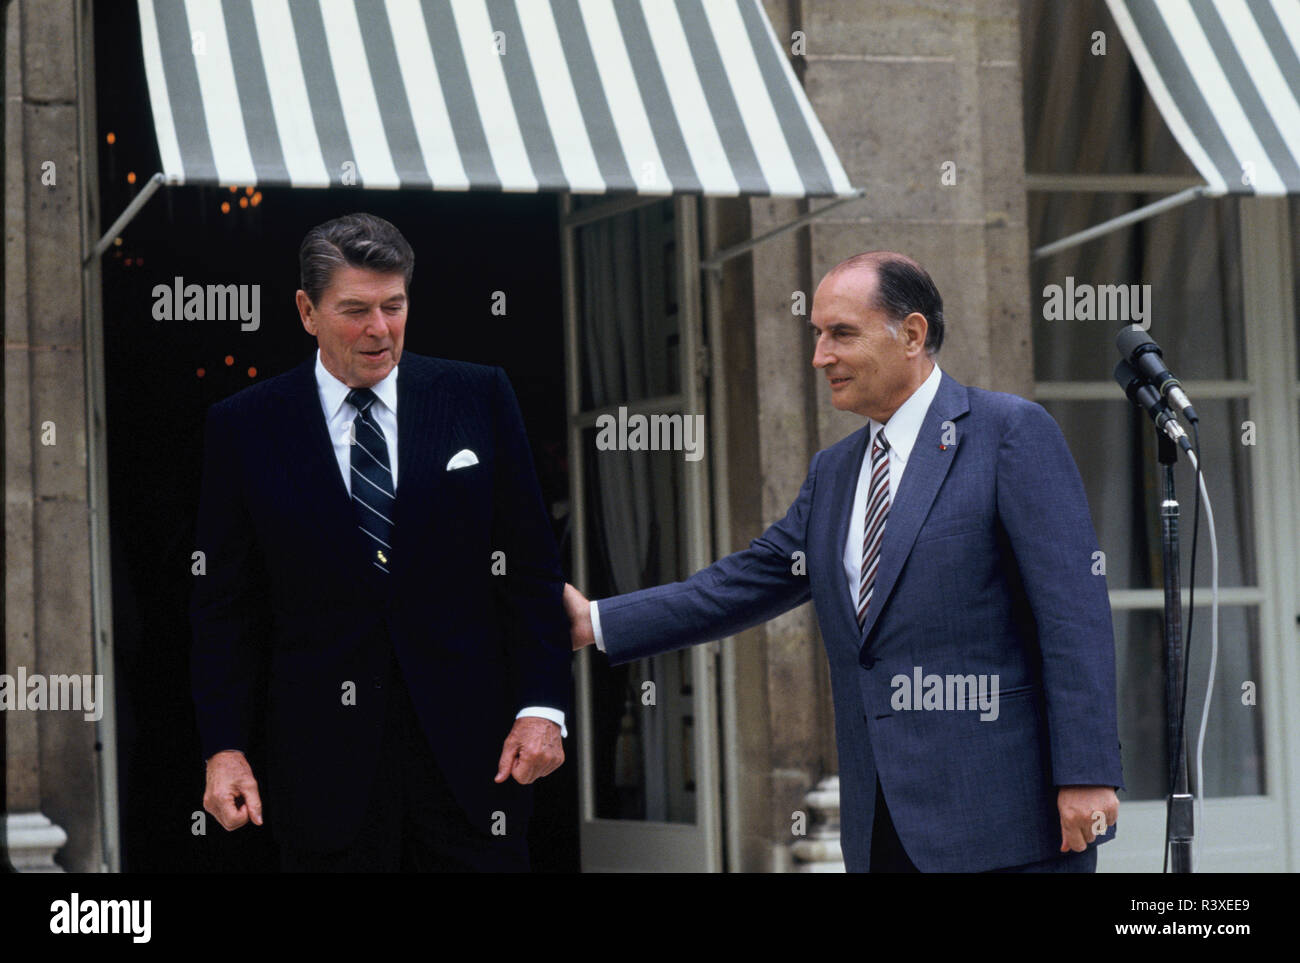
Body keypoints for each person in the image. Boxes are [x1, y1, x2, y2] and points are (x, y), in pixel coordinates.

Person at [564, 252, 1123, 872]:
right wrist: (596, 620)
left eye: (841, 333)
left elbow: (1074, 616)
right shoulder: (835, 472)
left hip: (1008, 824)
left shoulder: (1009, 432)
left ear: (911, 334)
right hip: (880, 827)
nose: (819, 356)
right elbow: (744, 583)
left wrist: (1089, 774)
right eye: (817, 335)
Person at [191, 213, 570, 872]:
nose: (379, 329)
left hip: (477, 767)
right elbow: (224, 606)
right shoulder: (245, 426)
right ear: (307, 310)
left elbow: (532, 571)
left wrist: (543, 708)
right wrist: (224, 745)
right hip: (321, 778)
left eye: (393, 307)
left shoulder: (477, 396)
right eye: (355, 310)